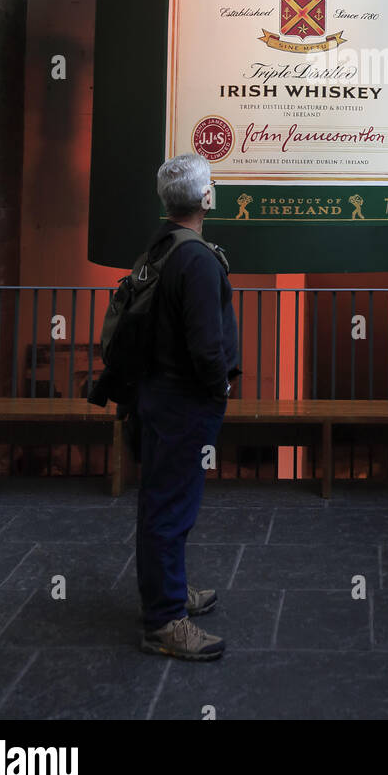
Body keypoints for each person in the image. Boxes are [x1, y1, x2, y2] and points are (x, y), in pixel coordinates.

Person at [137, 152, 240, 660]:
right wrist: (219, 386)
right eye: (212, 184)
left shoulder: (161, 248)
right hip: (184, 404)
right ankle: (164, 623)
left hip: (158, 395)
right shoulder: (195, 258)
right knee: (171, 508)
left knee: (162, 501)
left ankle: (170, 595)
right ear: (205, 198)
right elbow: (206, 345)